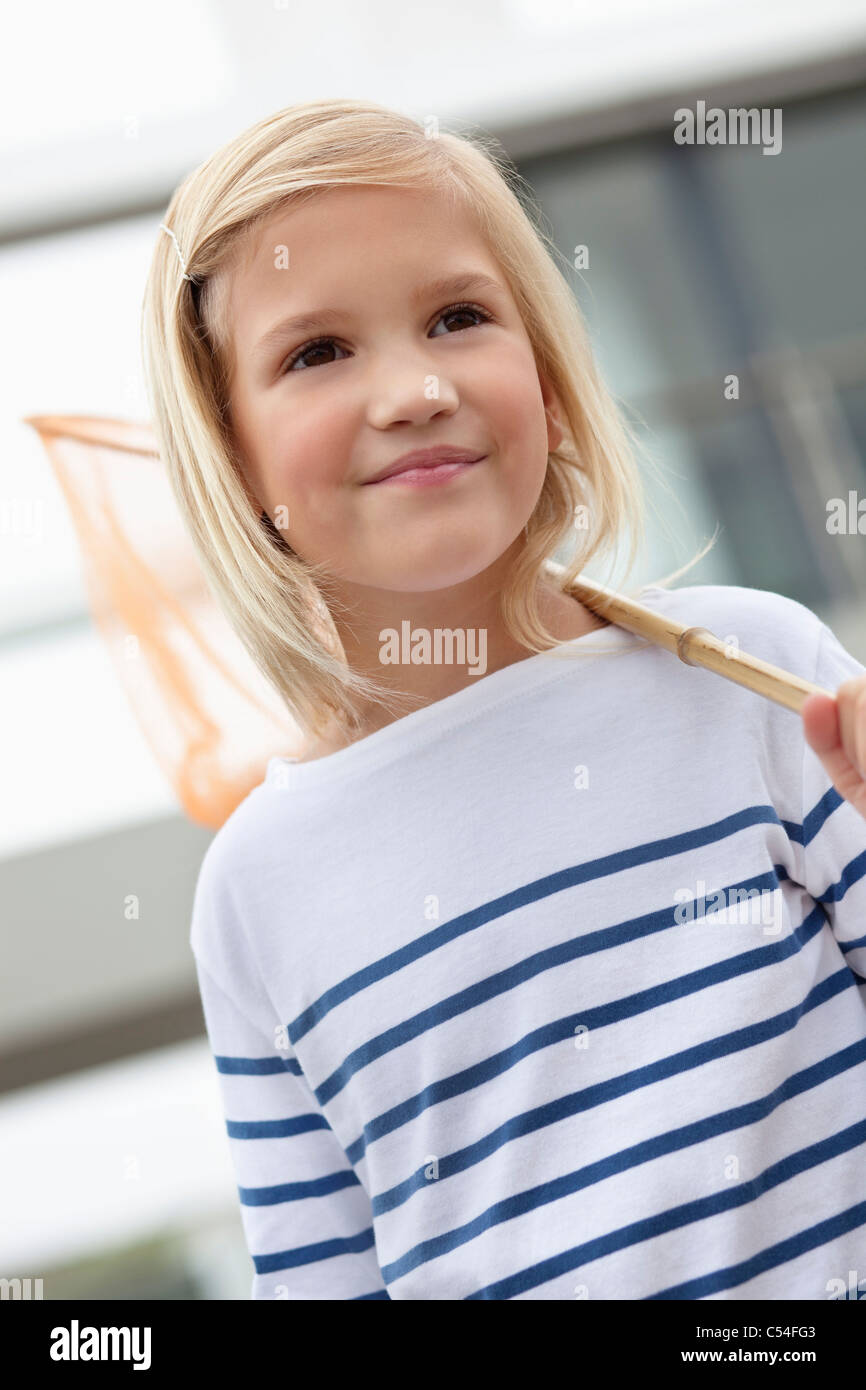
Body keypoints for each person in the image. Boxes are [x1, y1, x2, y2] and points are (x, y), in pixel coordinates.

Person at [141, 99, 866, 1300]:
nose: (415, 388)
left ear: (546, 365)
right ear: (231, 453)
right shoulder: (255, 889)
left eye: (458, 317)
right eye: (317, 352)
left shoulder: (757, 683)